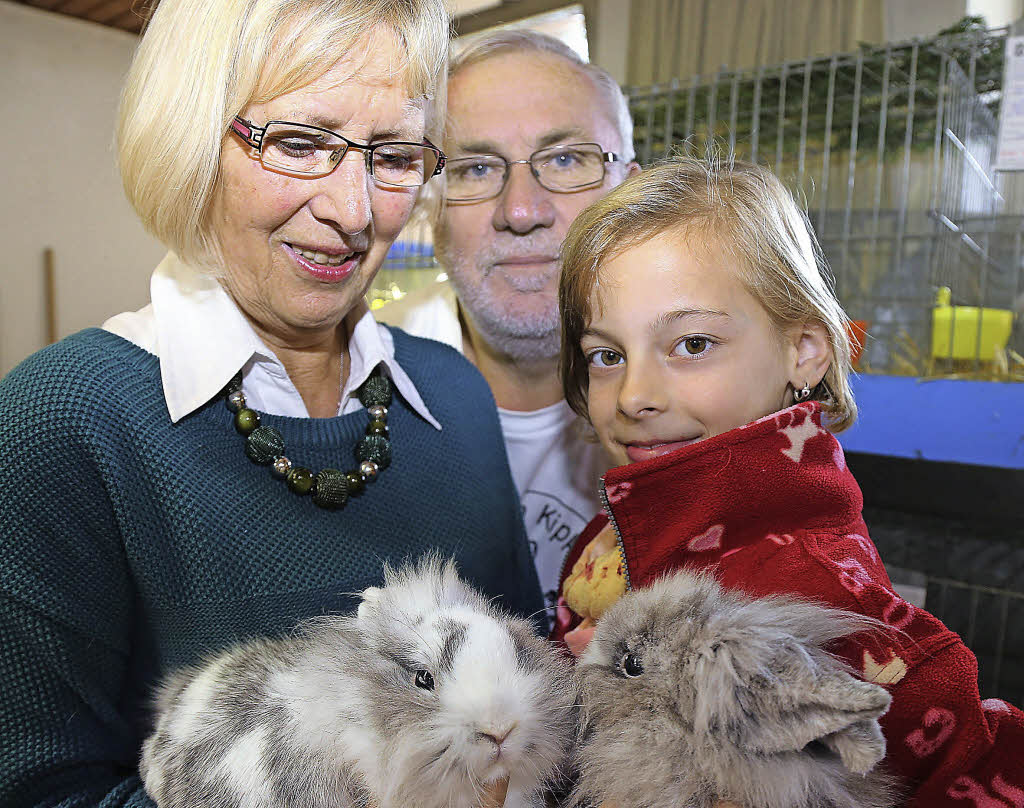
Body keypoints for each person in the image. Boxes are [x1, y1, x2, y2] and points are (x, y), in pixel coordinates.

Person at [0, 1, 544, 804]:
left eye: (392, 155)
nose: (353, 212)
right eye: (298, 143)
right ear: (192, 136)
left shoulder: (455, 392)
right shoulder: (61, 421)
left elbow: (532, 699)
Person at [552, 156, 1024, 803]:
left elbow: (967, 759)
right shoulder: (618, 529)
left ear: (803, 350)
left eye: (691, 344)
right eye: (607, 356)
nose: (634, 395)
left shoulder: (814, 587)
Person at [378, 30, 640, 610]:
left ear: (631, 188)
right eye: (475, 168)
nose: (521, 211)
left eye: (567, 159)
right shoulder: (342, 390)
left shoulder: (717, 404)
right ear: (431, 204)